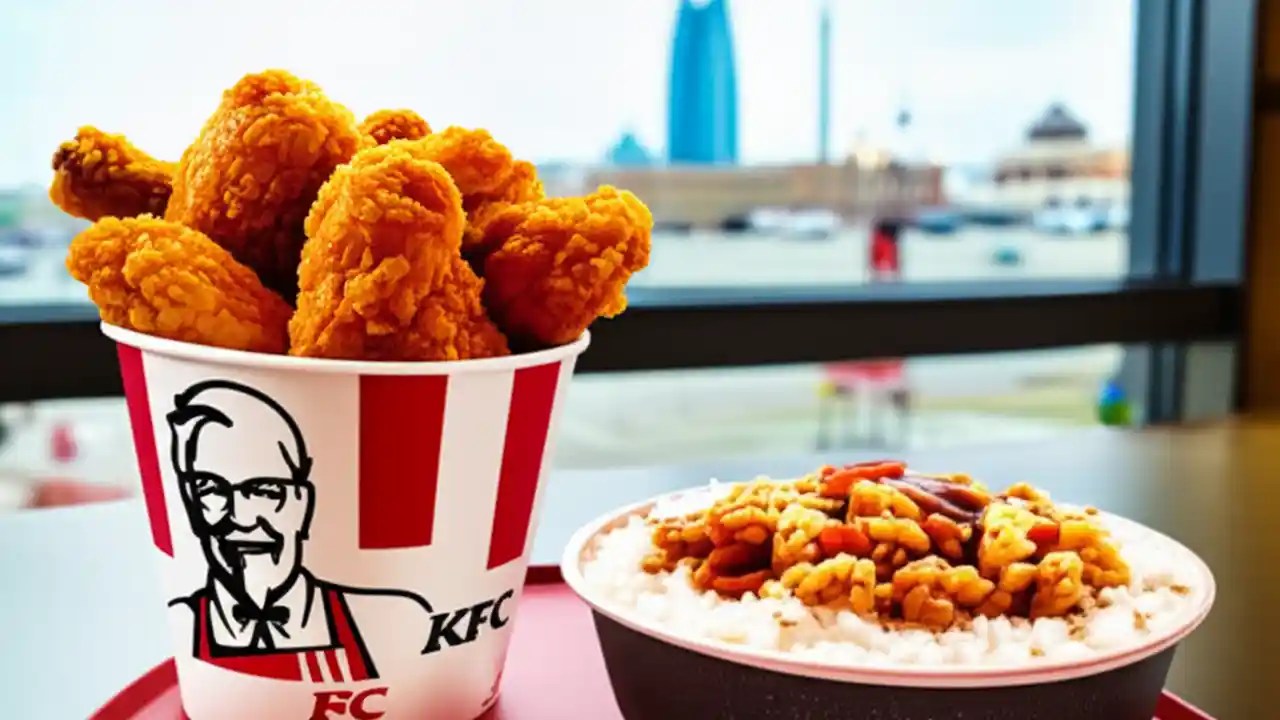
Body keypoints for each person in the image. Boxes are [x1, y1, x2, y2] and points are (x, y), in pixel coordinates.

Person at [165, 381, 434, 683]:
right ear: (189, 504)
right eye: (211, 489)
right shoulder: (184, 621)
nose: (241, 517)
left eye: (265, 490)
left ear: (302, 504)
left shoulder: (387, 617)